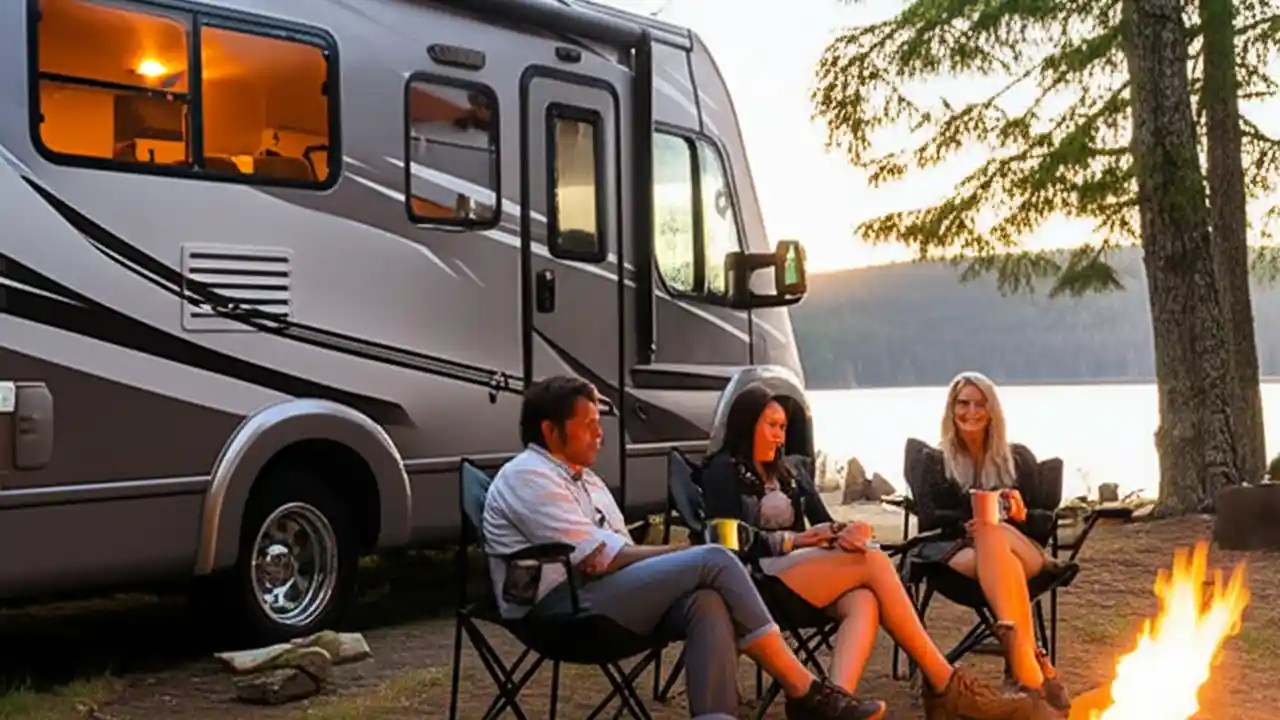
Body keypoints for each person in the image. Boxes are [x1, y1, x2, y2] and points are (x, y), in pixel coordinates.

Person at [482, 375, 888, 720]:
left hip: (600, 594)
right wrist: (684, 556)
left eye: (597, 422)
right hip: (559, 610)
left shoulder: (585, 480)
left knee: (707, 601)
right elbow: (603, 558)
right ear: (551, 431)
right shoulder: (528, 477)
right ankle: (805, 690)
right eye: (588, 424)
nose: (599, 432)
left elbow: (614, 553)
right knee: (713, 557)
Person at [699, 383, 1057, 719]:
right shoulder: (723, 471)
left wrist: (846, 530)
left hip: (799, 574)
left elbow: (823, 521)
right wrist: (795, 541)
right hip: (752, 579)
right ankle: (945, 681)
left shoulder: (789, 470)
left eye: (783, 427)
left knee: (864, 601)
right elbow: (724, 542)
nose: (779, 436)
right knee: (872, 561)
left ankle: (833, 702)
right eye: (771, 426)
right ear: (748, 426)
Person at [908, 371, 1072, 713]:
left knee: (993, 533)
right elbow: (929, 518)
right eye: (962, 403)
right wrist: (963, 524)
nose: (970, 411)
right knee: (989, 537)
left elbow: (1044, 520)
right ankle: (1033, 671)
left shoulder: (1018, 460)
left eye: (979, 404)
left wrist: (1020, 513)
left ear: (992, 410)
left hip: (1019, 547)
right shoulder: (935, 463)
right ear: (951, 409)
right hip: (953, 554)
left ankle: (1030, 673)